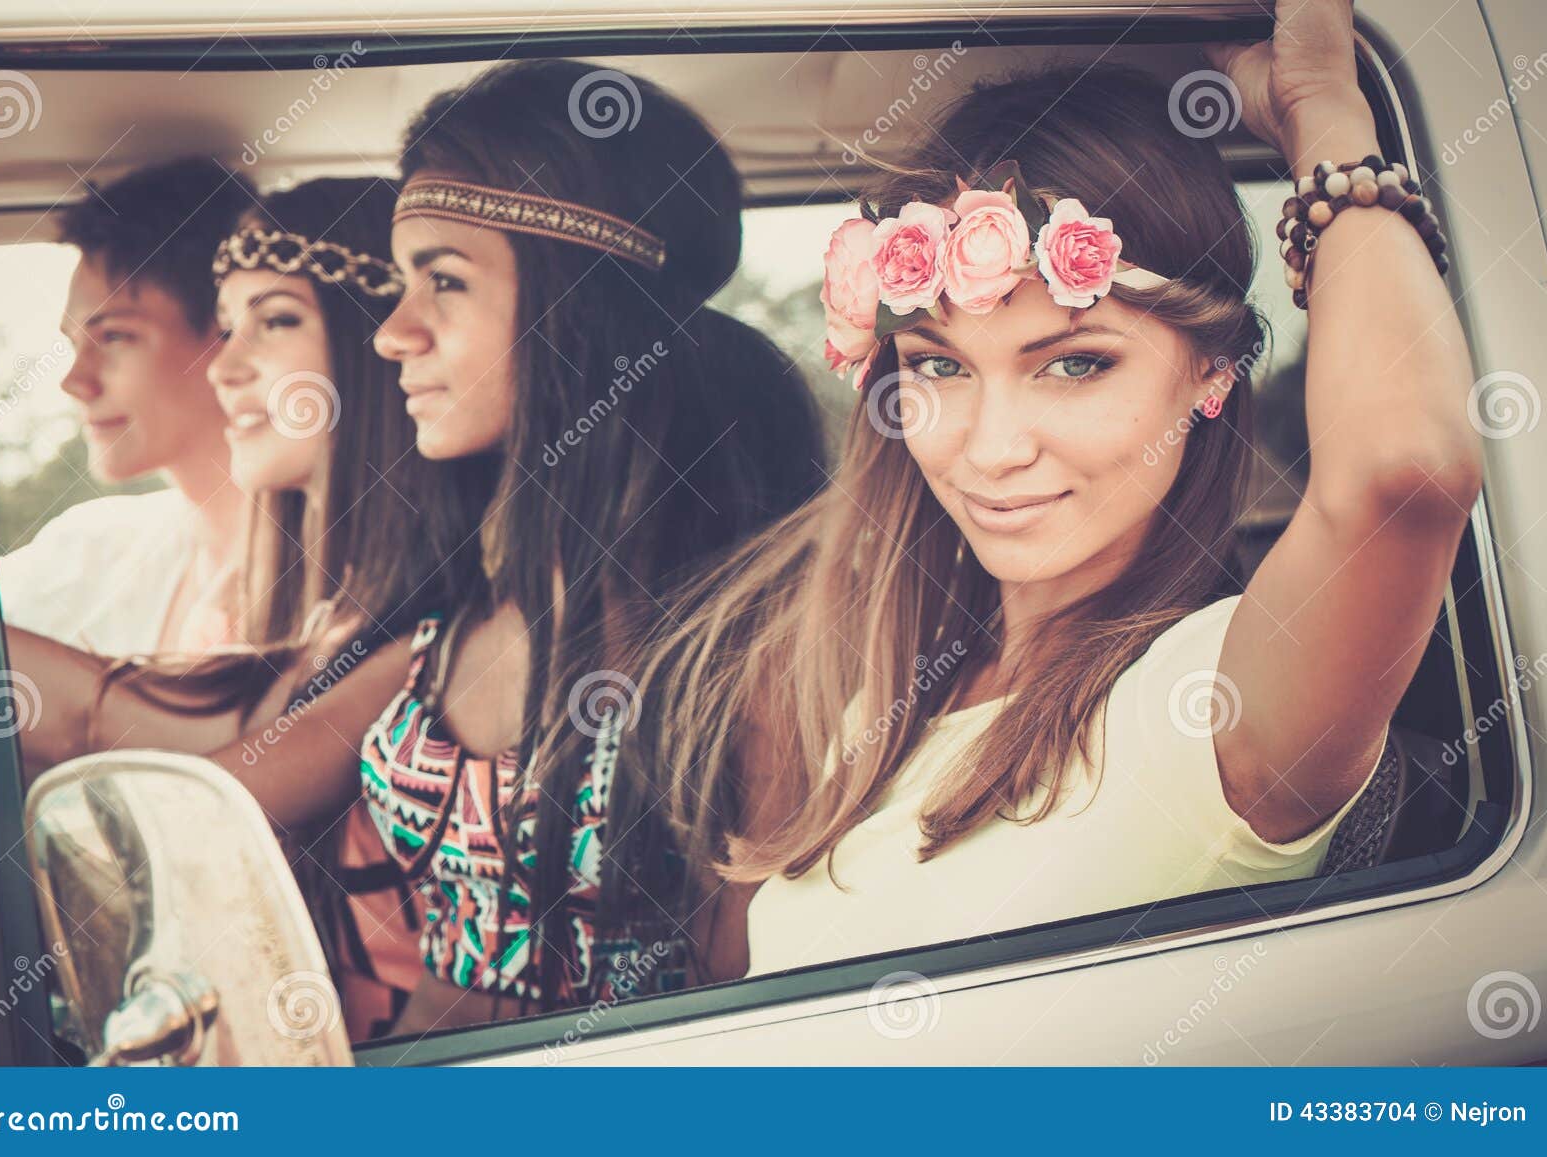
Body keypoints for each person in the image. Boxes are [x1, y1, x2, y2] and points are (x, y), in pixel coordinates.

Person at [623, 0, 1482, 976]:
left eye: (1073, 364)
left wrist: (1320, 109)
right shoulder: (860, 681)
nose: (989, 451)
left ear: (1211, 369)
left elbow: (1404, 471)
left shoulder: (1218, 706)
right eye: (941, 367)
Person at [360, 58, 827, 1033]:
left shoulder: (747, 640)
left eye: (443, 280)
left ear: (579, 306)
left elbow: (752, 1013)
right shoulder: (443, 613)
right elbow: (209, 781)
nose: (393, 333)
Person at [6, 177, 494, 1040]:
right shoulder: (322, 627)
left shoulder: (432, 641)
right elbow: (117, 717)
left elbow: (194, 797)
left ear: (370, 344)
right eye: (227, 325)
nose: (224, 366)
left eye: (274, 321)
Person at [0, 157, 256, 655]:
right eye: (73, 343)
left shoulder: (340, 582)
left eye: (114, 335)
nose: (75, 382)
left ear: (231, 333)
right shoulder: (83, 551)